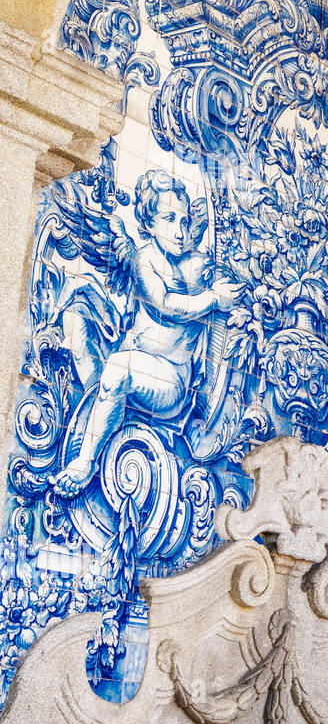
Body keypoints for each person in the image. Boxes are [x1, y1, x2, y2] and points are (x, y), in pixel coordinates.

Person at [51, 171, 239, 496]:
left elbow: (212, 297)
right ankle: (103, 409)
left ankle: (85, 463)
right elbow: (164, 303)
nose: (180, 232)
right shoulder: (145, 260)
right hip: (136, 362)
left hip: (171, 383)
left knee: (119, 369)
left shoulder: (198, 266)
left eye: (184, 221)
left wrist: (217, 294)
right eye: (169, 219)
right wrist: (212, 300)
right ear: (149, 224)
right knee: (78, 309)